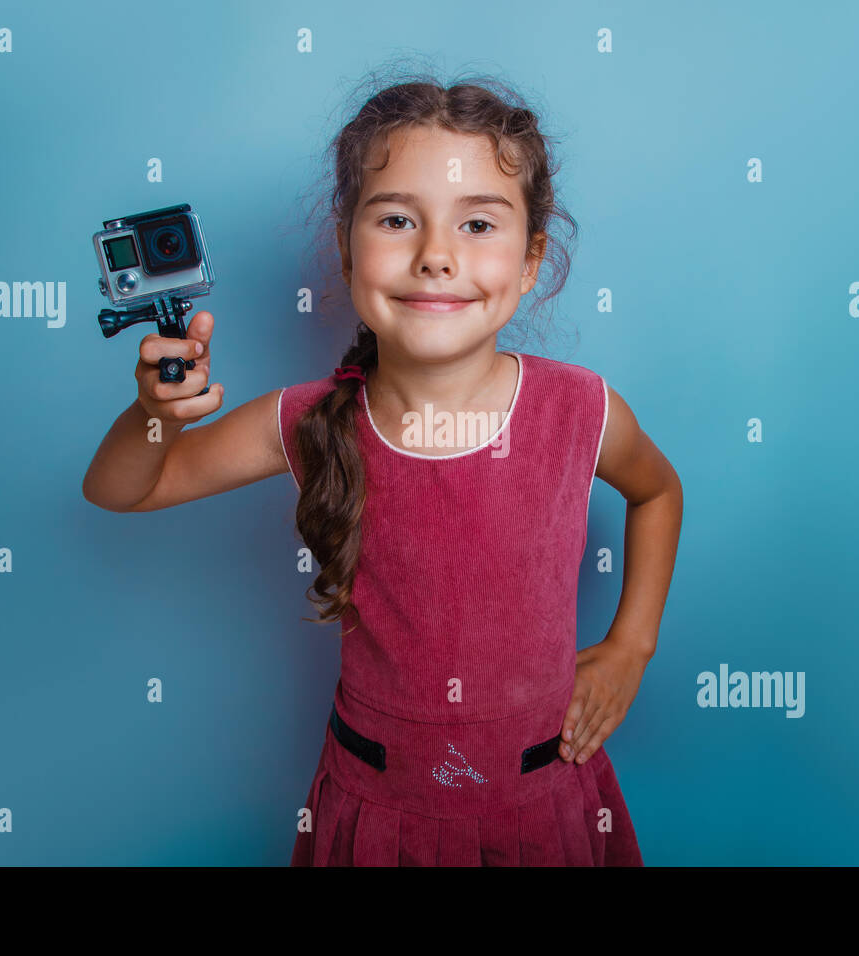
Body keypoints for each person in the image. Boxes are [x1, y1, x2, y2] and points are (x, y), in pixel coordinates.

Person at [83, 75, 683, 866]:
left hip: (545, 812)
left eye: (478, 223)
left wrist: (629, 647)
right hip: (376, 823)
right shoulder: (303, 419)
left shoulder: (583, 410)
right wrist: (155, 413)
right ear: (345, 247)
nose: (436, 256)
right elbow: (124, 488)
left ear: (533, 258)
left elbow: (658, 491)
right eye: (398, 219)